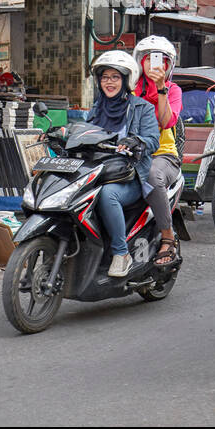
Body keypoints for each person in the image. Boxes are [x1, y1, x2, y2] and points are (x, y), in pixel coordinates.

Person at [84, 50, 160, 277]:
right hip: (96, 171)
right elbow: (83, 133)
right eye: (105, 77)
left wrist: (136, 141)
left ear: (126, 80)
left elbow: (153, 140)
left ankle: (121, 253)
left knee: (108, 195)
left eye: (115, 77)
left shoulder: (142, 108)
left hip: (129, 175)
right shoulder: (96, 108)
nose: (109, 82)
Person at [133, 35, 183, 268]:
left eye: (162, 60)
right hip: (130, 155)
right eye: (150, 59)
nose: (156, 65)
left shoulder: (173, 90)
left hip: (163, 156)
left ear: (169, 66)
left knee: (152, 176)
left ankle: (167, 236)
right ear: (140, 62)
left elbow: (165, 121)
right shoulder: (129, 90)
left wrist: (161, 88)